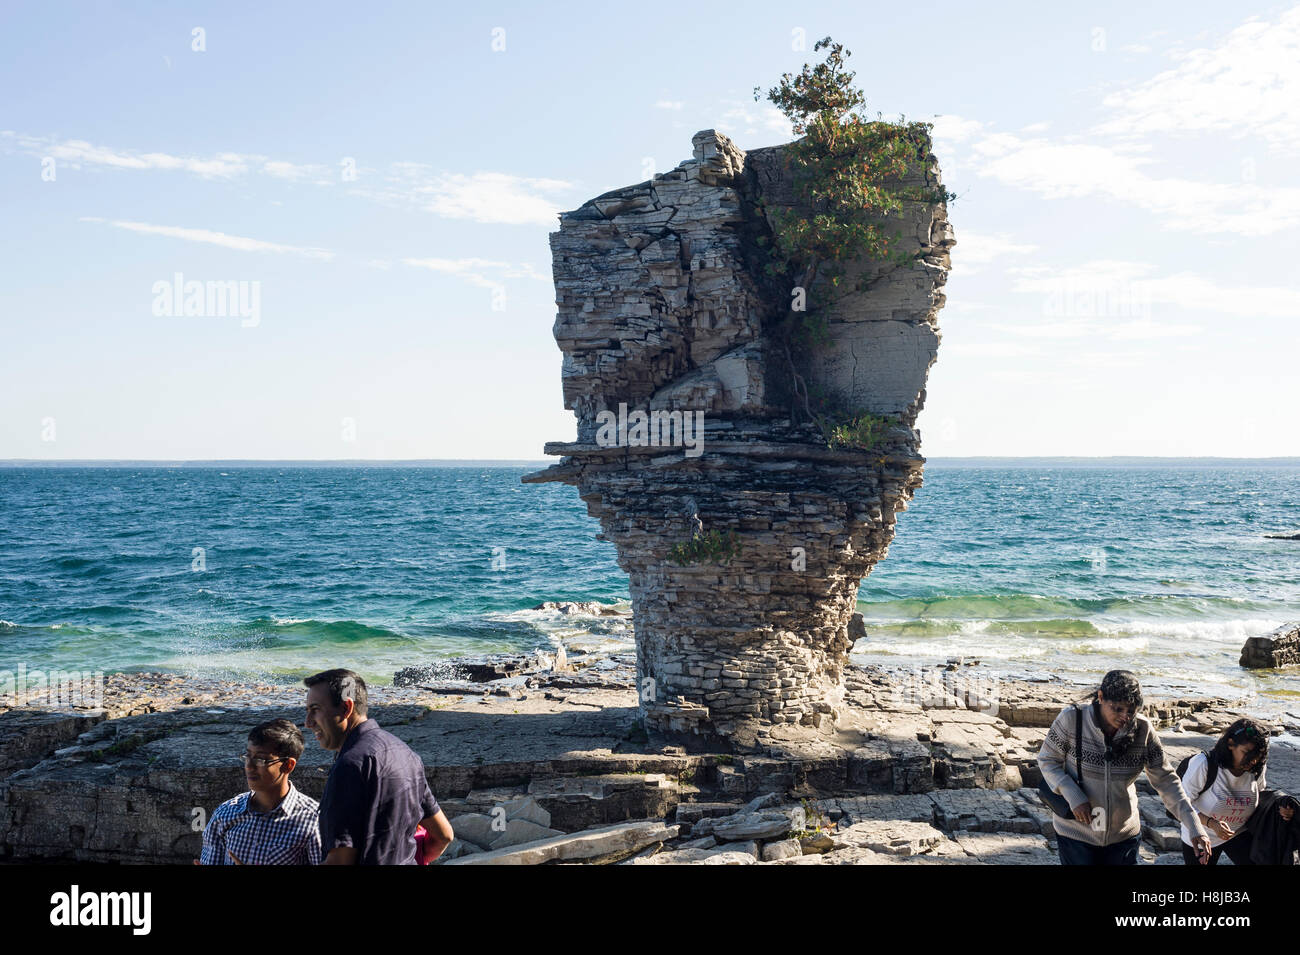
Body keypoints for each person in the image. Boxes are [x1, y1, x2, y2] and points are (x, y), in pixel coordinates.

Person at [1038, 669, 1212, 865]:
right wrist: (1073, 795)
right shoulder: (1072, 719)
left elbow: (1167, 782)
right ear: (1101, 697)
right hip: (1077, 835)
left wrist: (1194, 827)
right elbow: (1047, 760)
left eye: (1131, 710)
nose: (1125, 717)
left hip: (1123, 836)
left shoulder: (1143, 730)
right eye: (1118, 709)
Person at [304, 668, 455, 864]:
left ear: (345, 708)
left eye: (315, 710)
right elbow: (444, 835)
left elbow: (340, 861)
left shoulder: (350, 766)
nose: (307, 723)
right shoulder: (406, 753)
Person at [199, 718, 322, 865]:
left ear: (288, 765)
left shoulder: (312, 822)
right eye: (247, 756)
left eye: (260, 760)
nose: (249, 766)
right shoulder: (226, 814)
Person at [1180, 718, 1294, 865]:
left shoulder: (1256, 768)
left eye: (1257, 756)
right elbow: (1180, 804)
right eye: (1246, 752)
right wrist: (1212, 823)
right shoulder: (1204, 764)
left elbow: (1261, 795)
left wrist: (1281, 809)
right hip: (1202, 835)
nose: (1252, 761)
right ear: (1230, 744)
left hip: (1239, 832)